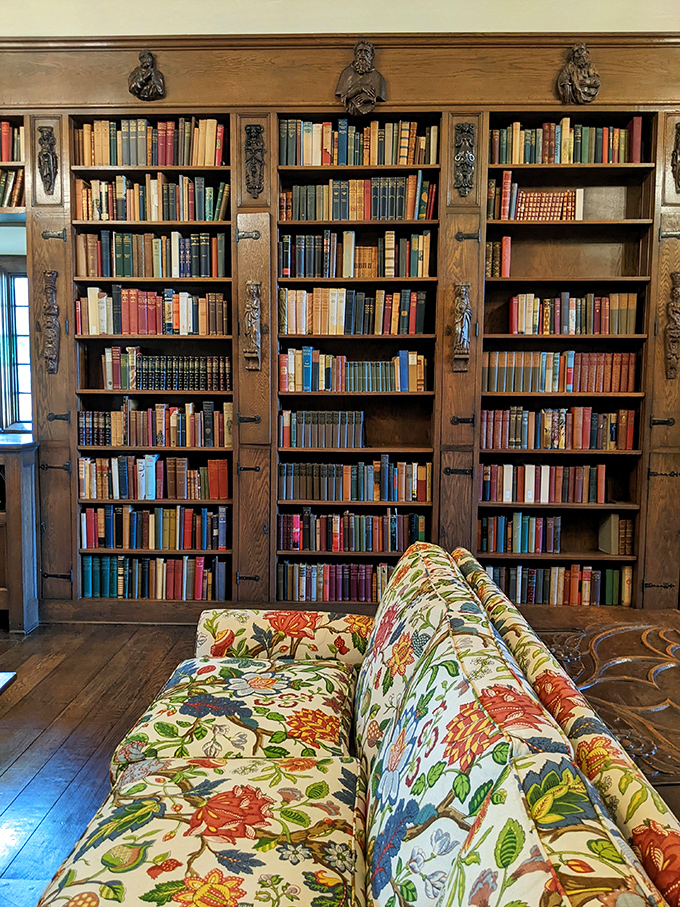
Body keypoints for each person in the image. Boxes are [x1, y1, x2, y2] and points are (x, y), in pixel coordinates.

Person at [336, 40, 386, 116]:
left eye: (366, 52)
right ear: (355, 54)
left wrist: (370, 98)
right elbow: (344, 95)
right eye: (360, 51)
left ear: (371, 56)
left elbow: (378, 95)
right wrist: (360, 88)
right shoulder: (347, 73)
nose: (363, 55)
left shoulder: (378, 77)